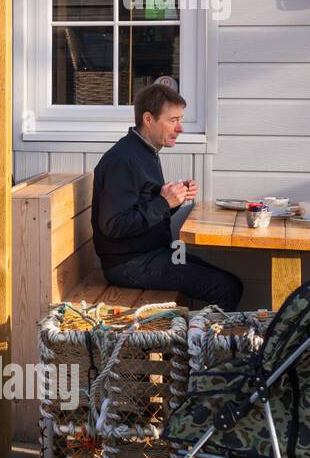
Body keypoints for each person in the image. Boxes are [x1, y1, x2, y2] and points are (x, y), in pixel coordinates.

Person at [92, 82, 242, 310]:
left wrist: (175, 199)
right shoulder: (122, 160)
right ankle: (201, 344)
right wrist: (164, 202)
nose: (180, 128)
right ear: (148, 119)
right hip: (129, 264)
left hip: (155, 253)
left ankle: (195, 338)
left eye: (180, 120)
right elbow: (114, 225)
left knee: (229, 280)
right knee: (227, 288)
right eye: (173, 120)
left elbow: (143, 209)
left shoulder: (146, 151)